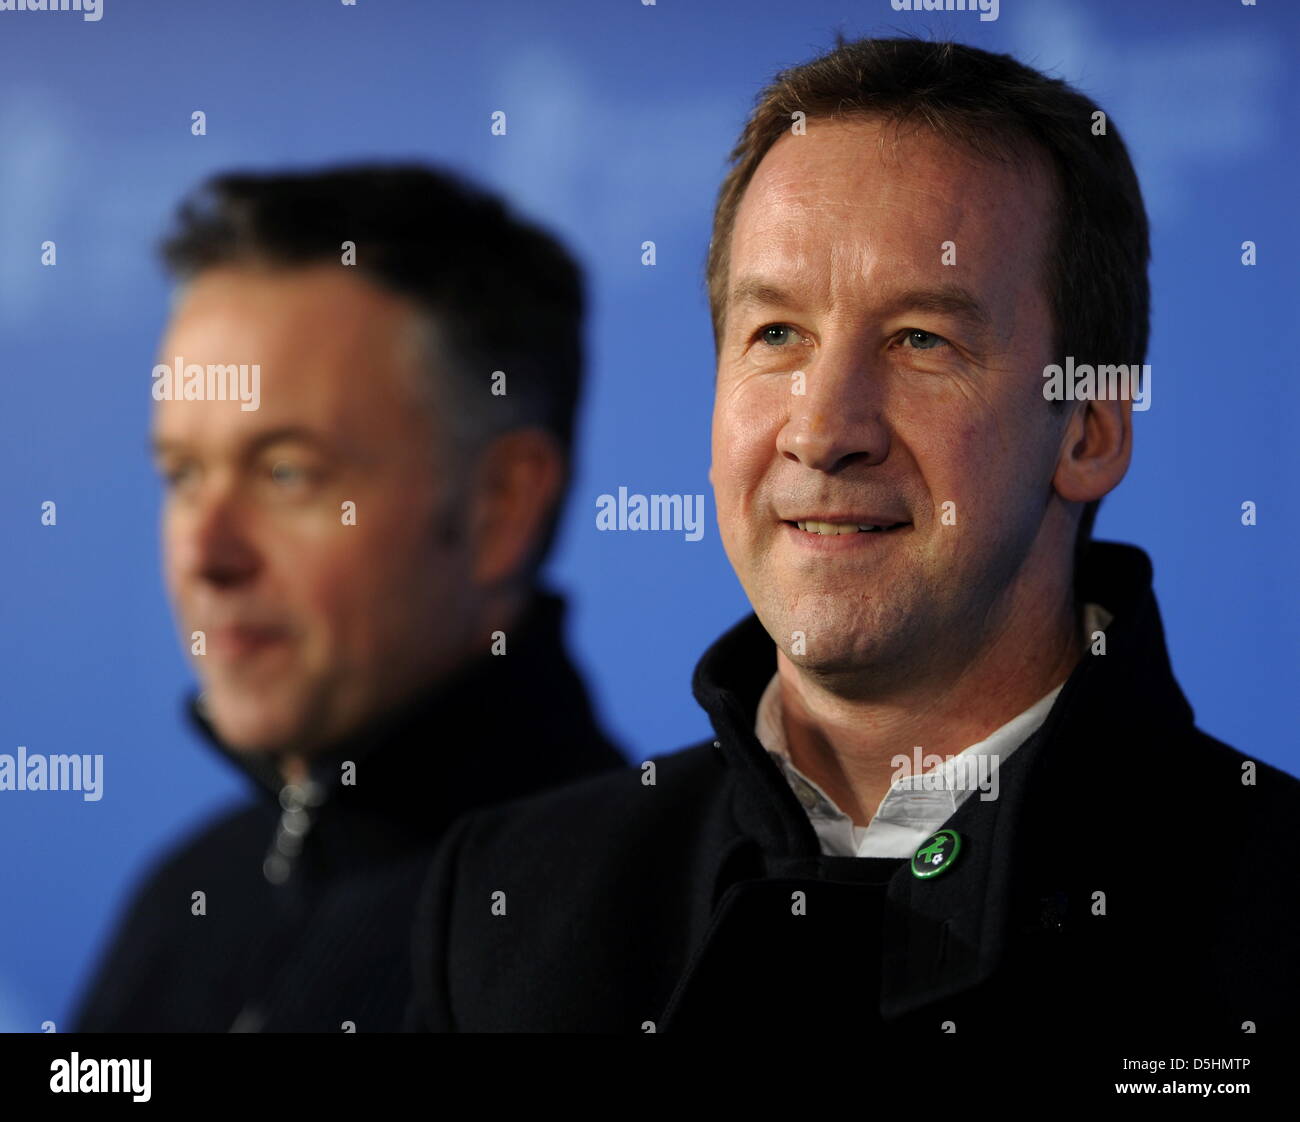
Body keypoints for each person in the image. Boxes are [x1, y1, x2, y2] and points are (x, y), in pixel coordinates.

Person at [408, 38, 1300, 1036]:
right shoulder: (509, 906)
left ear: (1087, 429)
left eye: (921, 338)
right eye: (776, 335)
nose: (824, 429)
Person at [73, 164, 625, 1032]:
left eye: (287, 472)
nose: (204, 555)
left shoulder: (631, 933)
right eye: (182, 474)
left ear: (500, 506)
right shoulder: (189, 896)